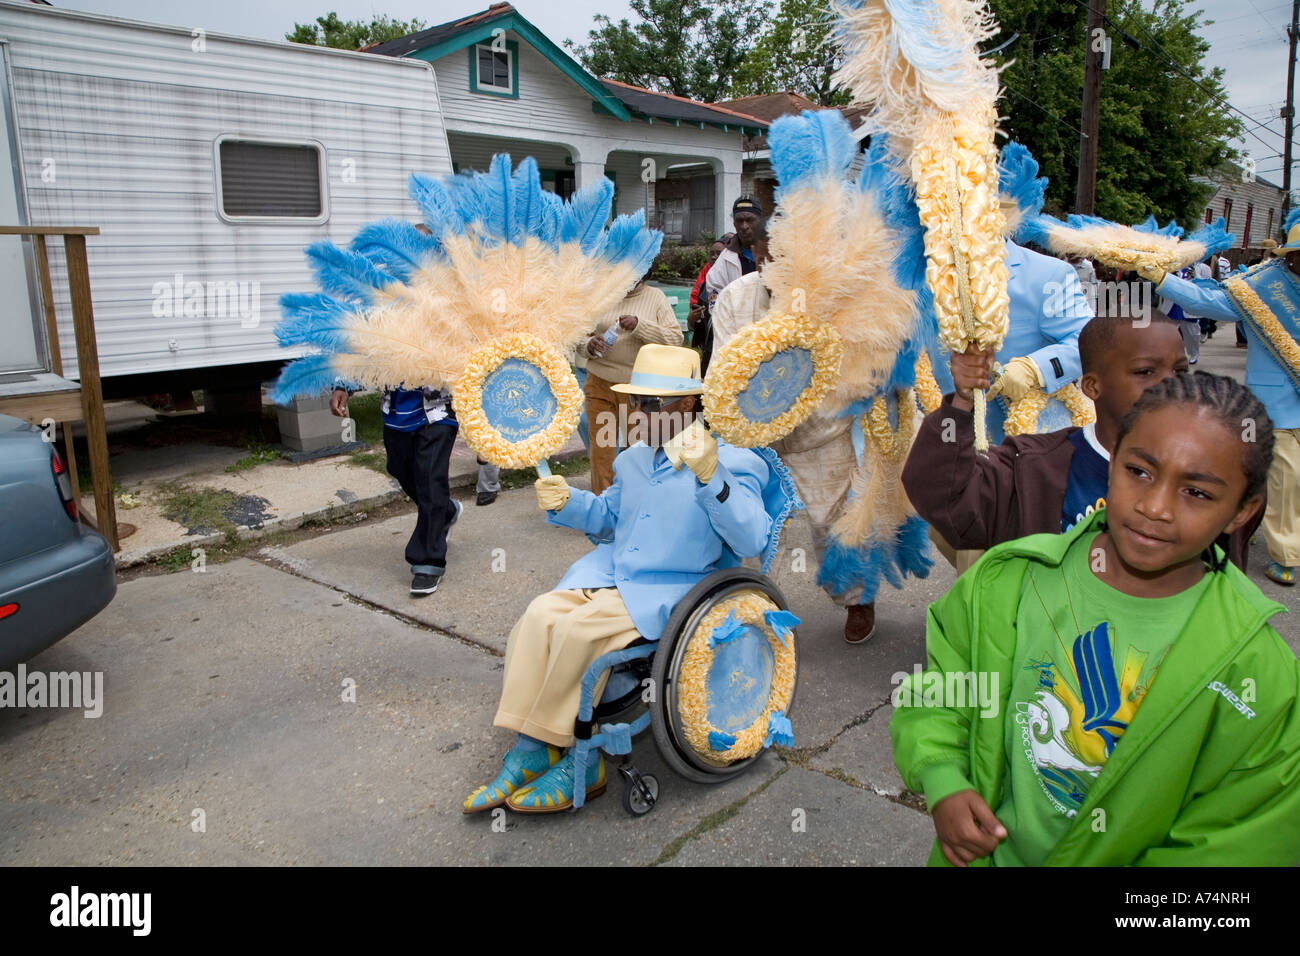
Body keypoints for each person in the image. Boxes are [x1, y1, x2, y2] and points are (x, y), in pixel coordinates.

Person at [892, 370, 1300, 866]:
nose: (1154, 507)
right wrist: (943, 778)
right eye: (1140, 471)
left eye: (1196, 493)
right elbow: (944, 688)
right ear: (1110, 462)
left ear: (1243, 511)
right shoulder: (1008, 581)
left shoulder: (1255, 668)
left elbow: (1240, 838)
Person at [462, 345, 781, 814]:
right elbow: (611, 518)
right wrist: (567, 502)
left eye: (656, 403)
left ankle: (583, 757)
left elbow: (752, 535)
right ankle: (532, 747)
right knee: (539, 615)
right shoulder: (634, 457)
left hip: (675, 588)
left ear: (690, 403)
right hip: (611, 574)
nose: (642, 413)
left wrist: (713, 476)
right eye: (638, 402)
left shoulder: (734, 458)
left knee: (578, 631)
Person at [710, 220, 879, 644]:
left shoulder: (833, 300)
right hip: (753, 434)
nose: (777, 265)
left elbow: (854, 367)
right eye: (770, 255)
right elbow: (724, 369)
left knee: (833, 520)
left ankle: (857, 598)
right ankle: (740, 606)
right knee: (740, 519)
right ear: (758, 253)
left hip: (820, 430)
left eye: (790, 258)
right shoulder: (734, 297)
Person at [1139, 228, 1300, 587]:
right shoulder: (1264, 285)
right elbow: (1205, 302)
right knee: (1286, 478)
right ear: (1289, 256)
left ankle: (1250, 521)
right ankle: (1285, 554)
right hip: (1278, 404)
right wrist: (1162, 278)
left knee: (1277, 477)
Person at [330, 384, 462, 596]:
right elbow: (363, 351)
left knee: (429, 480)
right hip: (396, 415)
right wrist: (343, 385)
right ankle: (445, 511)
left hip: (437, 411)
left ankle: (428, 561)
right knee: (399, 468)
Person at [583, 271, 684, 494]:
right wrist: (589, 344)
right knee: (602, 451)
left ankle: (636, 506)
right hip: (599, 384)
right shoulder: (602, 294)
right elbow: (580, 335)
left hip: (637, 389)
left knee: (639, 451)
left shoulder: (655, 297)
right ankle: (604, 509)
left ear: (645, 270)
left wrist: (640, 325)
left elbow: (675, 338)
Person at [705, 197, 764, 308]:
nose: (744, 226)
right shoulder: (725, 259)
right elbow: (716, 304)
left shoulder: (776, 252)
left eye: (750, 220)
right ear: (734, 223)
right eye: (739, 221)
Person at [688, 236, 729, 374]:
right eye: (711, 253)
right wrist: (692, 318)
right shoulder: (704, 286)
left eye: (719, 254)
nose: (714, 257)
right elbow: (697, 324)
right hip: (709, 351)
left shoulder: (736, 282)